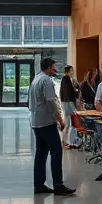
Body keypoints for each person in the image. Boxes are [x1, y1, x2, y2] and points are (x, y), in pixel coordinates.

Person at [28, 57, 76, 196]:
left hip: (36, 121)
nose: (56, 69)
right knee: (56, 151)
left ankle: (39, 184)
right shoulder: (47, 81)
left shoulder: (36, 79)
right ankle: (58, 184)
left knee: (41, 153)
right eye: (54, 66)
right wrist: (60, 119)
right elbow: (51, 102)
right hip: (47, 122)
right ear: (49, 67)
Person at [59, 65, 81, 149]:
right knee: (72, 122)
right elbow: (70, 90)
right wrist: (76, 92)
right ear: (69, 70)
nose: (73, 72)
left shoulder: (63, 79)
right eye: (72, 70)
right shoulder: (67, 79)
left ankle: (66, 140)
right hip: (69, 102)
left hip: (65, 102)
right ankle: (70, 141)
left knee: (69, 122)